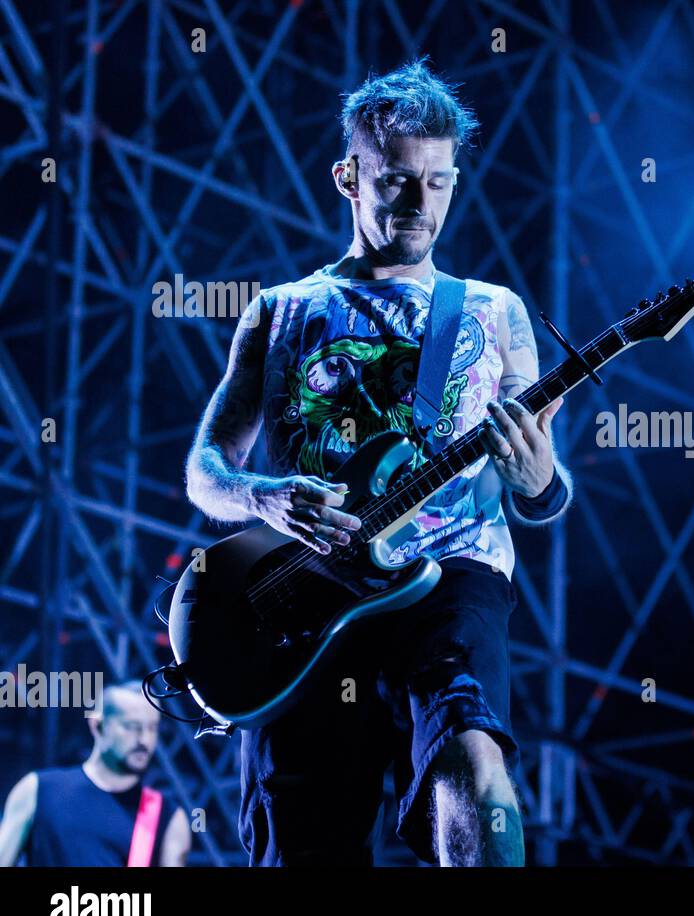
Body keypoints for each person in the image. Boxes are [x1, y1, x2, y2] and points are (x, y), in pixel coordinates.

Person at [183, 58, 571, 866]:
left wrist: (539, 484)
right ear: (348, 177)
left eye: (437, 182)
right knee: (303, 837)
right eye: (396, 180)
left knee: (474, 757)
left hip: (451, 578)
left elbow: (541, 484)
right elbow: (206, 470)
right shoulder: (281, 311)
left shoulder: (497, 314)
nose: (418, 203)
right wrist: (261, 499)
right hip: (308, 597)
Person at [0, 681, 191, 866]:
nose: (144, 740)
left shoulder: (168, 816)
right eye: (132, 727)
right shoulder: (38, 789)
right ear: (97, 726)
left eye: (152, 728)